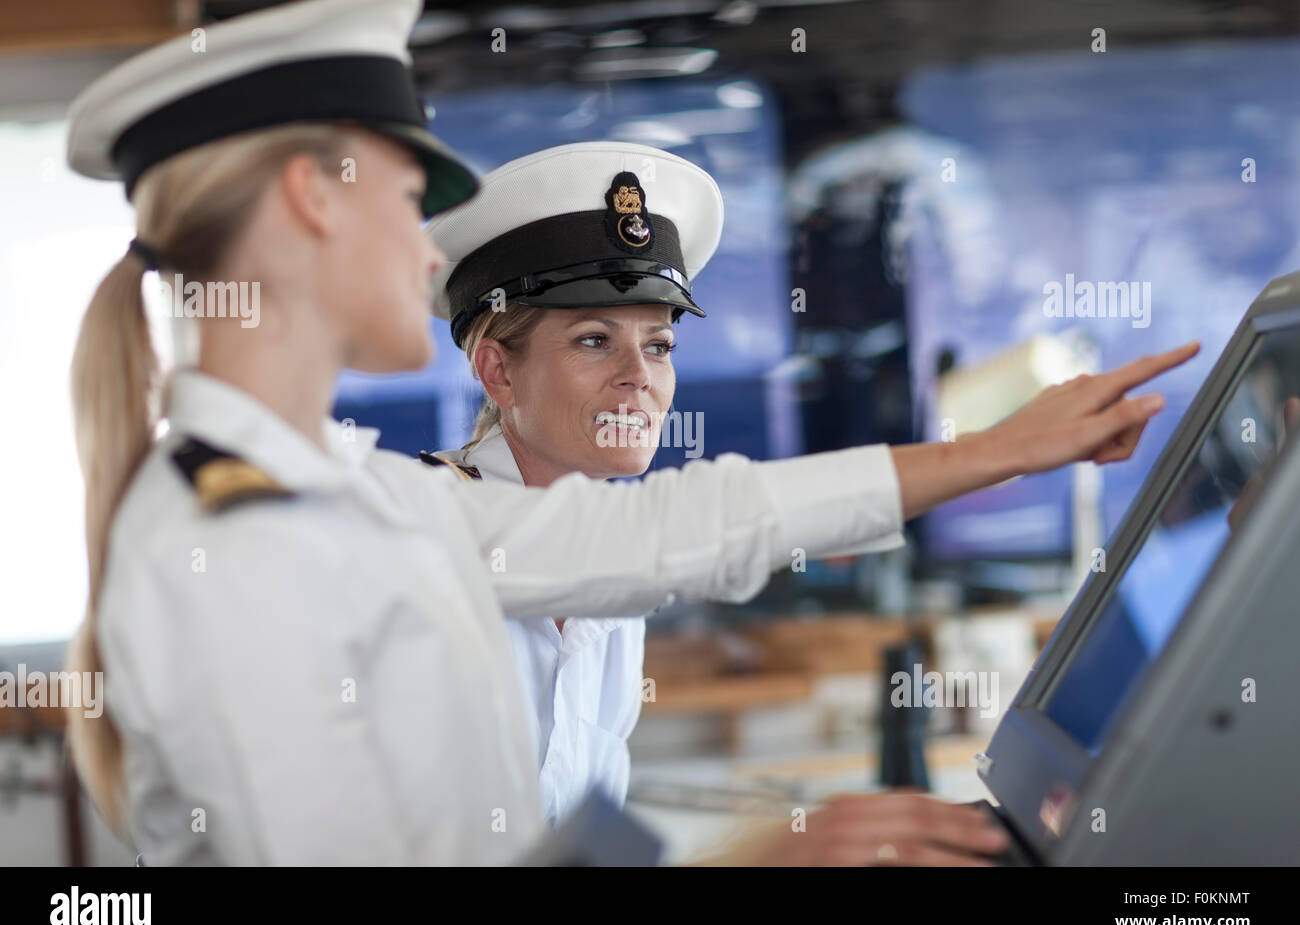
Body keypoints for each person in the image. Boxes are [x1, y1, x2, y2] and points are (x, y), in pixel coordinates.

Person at [63, 0, 1197, 866]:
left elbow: (672, 531)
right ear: (316, 195)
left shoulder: (361, 497)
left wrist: (997, 450)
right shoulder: (246, 541)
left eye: (653, 342)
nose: (422, 253)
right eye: (413, 198)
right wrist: (768, 856)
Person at [420, 140, 910, 830]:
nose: (639, 376)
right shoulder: (428, 529)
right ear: (499, 373)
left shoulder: (619, 577)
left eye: (658, 345)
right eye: (595, 340)